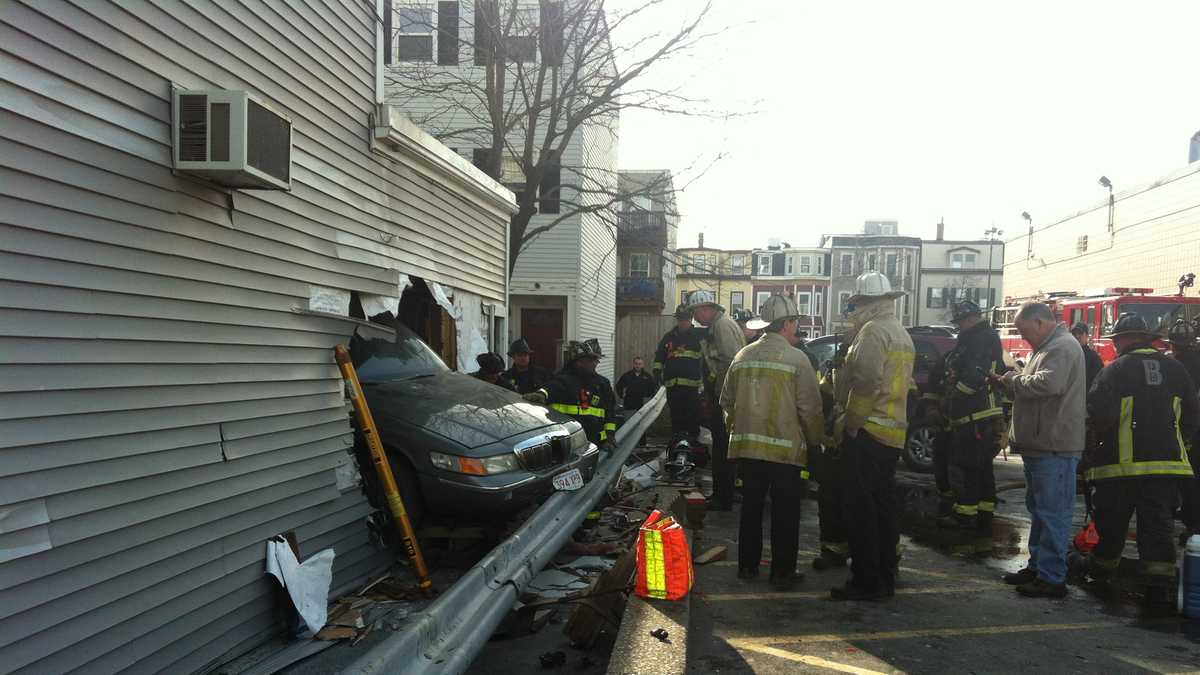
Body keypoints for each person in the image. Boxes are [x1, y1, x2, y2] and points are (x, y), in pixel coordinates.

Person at [1076, 314, 1200, 605]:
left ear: (1124, 339)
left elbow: (1096, 417)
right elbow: (1192, 417)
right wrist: (1179, 445)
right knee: (1159, 528)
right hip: (1167, 468)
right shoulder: (1177, 369)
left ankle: (1101, 573)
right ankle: (1158, 588)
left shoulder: (1114, 370)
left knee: (1112, 525)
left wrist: (1089, 456)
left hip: (1120, 469)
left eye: (1116, 340)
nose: (1115, 346)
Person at [720, 295, 823, 588]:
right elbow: (810, 410)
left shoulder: (742, 356)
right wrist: (816, 443)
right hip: (785, 454)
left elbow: (726, 402)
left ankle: (747, 567)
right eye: (795, 323)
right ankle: (782, 572)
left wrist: (737, 431)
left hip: (748, 452)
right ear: (788, 323)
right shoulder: (798, 359)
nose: (796, 328)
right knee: (785, 513)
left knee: (751, 509)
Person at [990, 302, 1085, 599]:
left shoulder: (1061, 348)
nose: (1022, 336)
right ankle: (1039, 568)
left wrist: (1012, 380)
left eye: (1024, 330)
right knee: (1041, 511)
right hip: (1043, 444)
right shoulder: (1048, 347)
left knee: (1052, 513)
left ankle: (1052, 578)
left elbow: (1049, 384)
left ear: (1041, 323)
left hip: (1054, 446)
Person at [829, 272, 914, 601]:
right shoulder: (900, 333)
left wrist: (851, 423)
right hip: (891, 435)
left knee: (860, 510)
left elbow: (865, 382)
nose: (853, 309)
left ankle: (866, 580)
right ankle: (885, 575)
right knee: (883, 509)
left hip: (867, 432)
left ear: (866, 302)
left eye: (857, 303)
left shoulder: (873, 332)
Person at [937, 300, 1006, 531]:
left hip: (974, 414)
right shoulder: (982, 337)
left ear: (971, 318)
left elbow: (974, 377)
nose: (960, 326)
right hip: (981, 414)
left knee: (966, 467)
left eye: (961, 321)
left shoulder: (980, 339)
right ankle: (984, 512)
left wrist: (953, 398)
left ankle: (964, 515)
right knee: (982, 467)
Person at [688, 290, 747, 511]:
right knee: (723, 449)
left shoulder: (722, 327)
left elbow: (730, 365)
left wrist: (722, 399)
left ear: (706, 308)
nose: (695, 318)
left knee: (723, 449)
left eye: (696, 312)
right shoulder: (718, 325)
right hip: (724, 396)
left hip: (725, 398)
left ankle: (724, 498)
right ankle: (725, 494)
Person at [525, 339, 617, 448]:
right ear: (579, 362)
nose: (595, 363)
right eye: (592, 359)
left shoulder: (602, 384)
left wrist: (610, 437)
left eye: (596, 360)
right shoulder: (564, 380)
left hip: (597, 444)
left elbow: (610, 413)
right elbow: (551, 388)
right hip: (567, 445)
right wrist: (541, 394)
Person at [1168, 318, 1200, 542]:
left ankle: (1192, 524)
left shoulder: (1174, 366)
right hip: (1193, 426)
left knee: (1188, 479)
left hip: (1183, 428)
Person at [654, 304, 705, 442]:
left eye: (686, 319)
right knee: (676, 417)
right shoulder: (669, 337)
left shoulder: (699, 336)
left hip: (692, 388)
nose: (683, 322)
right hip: (673, 387)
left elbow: (707, 358)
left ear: (691, 319)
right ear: (677, 320)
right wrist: (657, 372)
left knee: (692, 416)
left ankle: (693, 445)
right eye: (680, 319)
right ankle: (676, 444)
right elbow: (660, 356)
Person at [1071, 322, 1104, 391]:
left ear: (1086, 336)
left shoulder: (1094, 357)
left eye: (1080, 333)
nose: (1077, 336)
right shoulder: (1067, 354)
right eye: (1074, 334)